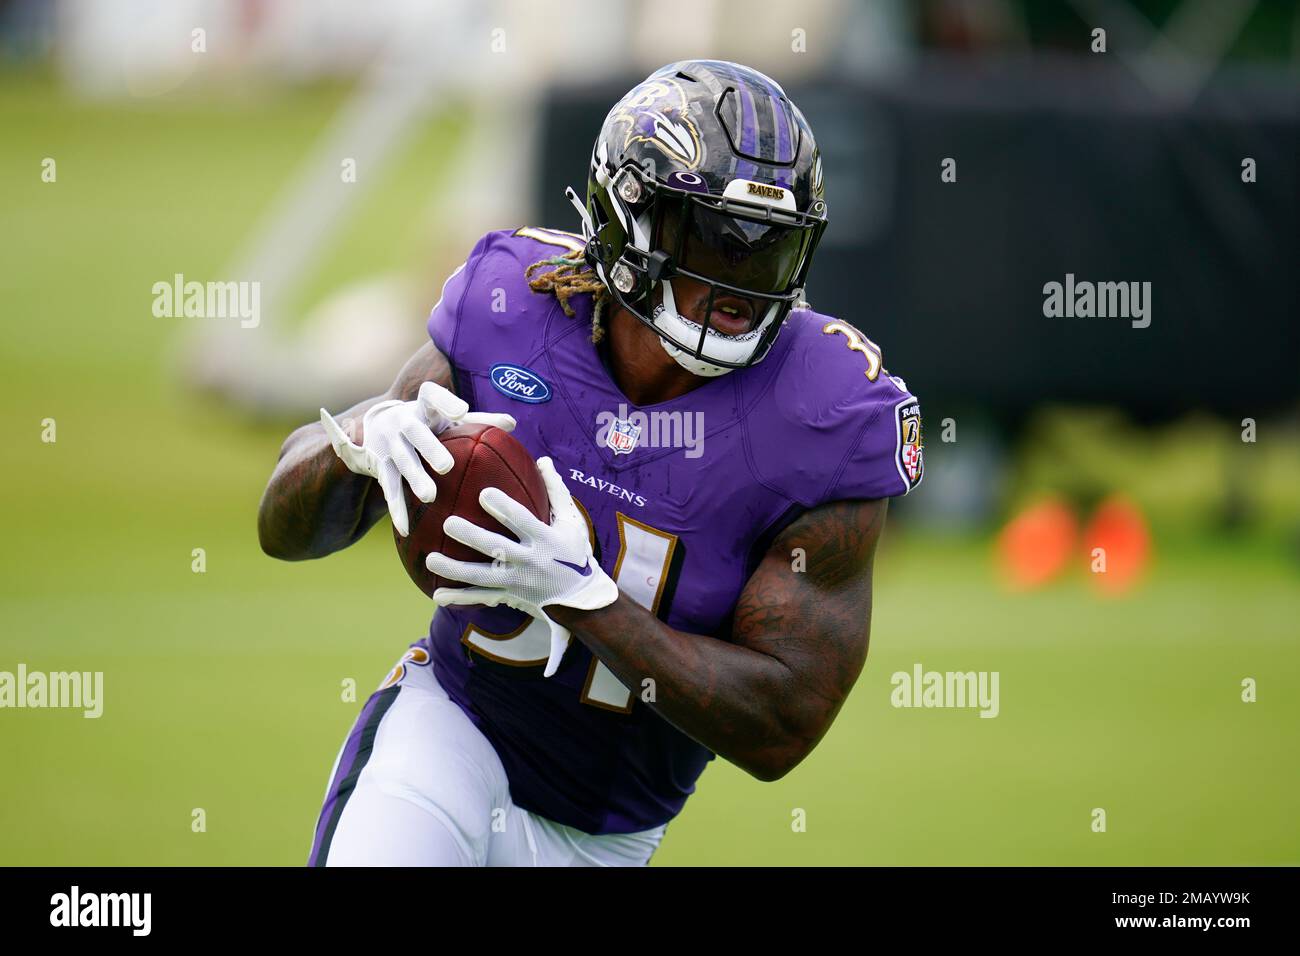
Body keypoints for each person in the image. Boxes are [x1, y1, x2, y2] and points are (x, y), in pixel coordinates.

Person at [257, 59, 924, 866]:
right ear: (626, 219)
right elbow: (283, 532)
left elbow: (784, 725)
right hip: (452, 735)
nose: (739, 288)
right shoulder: (516, 301)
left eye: (767, 253)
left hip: (606, 837)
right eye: (714, 240)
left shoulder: (829, 408)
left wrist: (585, 601)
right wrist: (359, 442)